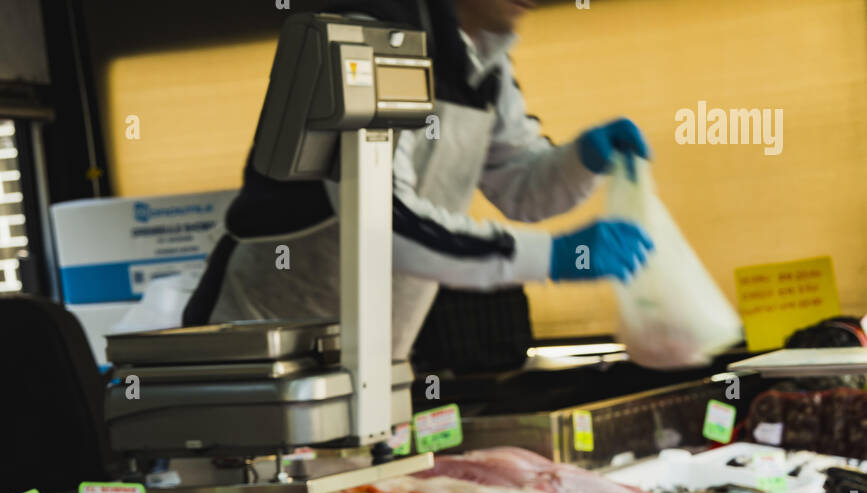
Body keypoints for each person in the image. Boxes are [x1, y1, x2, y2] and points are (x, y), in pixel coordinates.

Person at [183, 0, 653, 362]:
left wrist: (581, 162)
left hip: (369, 364)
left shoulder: (485, 66)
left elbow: (517, 185)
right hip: (258, 359)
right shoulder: (361, 42)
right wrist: (550, 256)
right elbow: (384, 225)